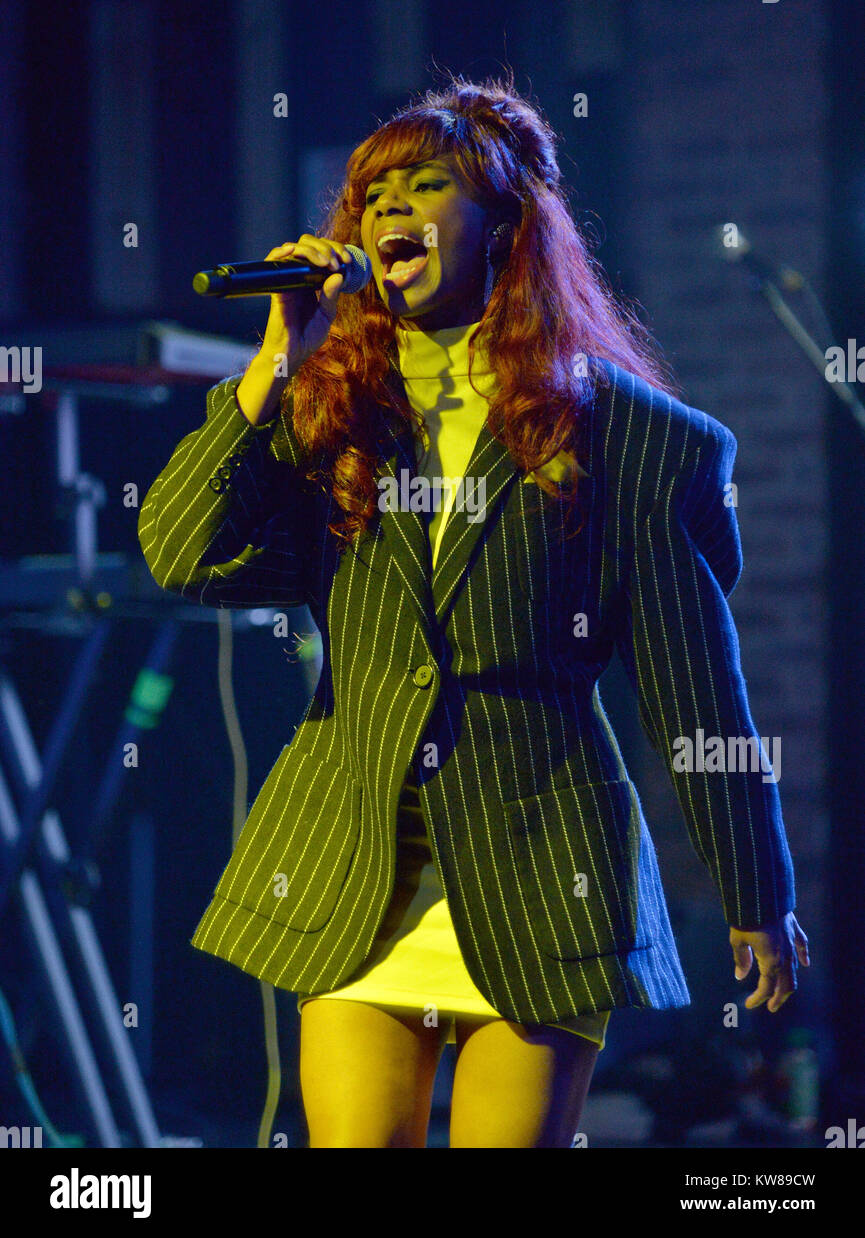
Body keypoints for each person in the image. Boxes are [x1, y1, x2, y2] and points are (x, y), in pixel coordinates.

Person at [139, 72, 809, 1148]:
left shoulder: (632, 439)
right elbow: (181, 553)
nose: (390, 212)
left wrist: (755, 891)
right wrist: (276, 358)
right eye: (373, 194)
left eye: (425, 183)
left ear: (506, 221)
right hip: (355, 872)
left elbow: (698, 694)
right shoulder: (329, 411)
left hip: (542, 870)